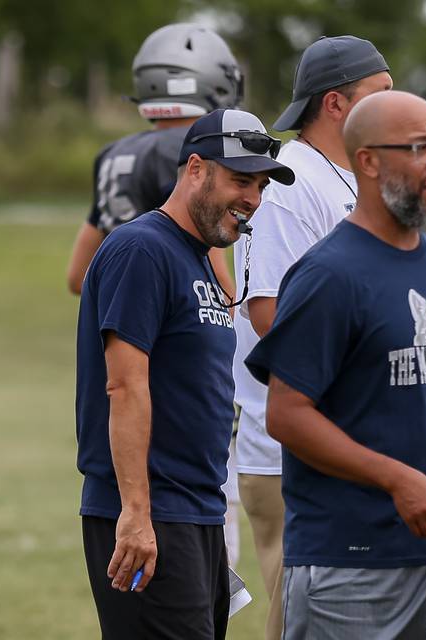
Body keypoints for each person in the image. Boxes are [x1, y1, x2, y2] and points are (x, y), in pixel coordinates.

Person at [245, 90, 426, 639]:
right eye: (418, 147)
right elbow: (285, 414)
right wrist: (396, 478)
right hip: (351, 560)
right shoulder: (328, 275)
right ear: (369, 161)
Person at [75, 108, 294, 640]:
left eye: (261, 186)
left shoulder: (195, 255)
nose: (253, 199)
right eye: (241, 180)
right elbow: (124, 386)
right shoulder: (141, 249)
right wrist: (136, 513)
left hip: (196, 509)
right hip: (150, 514)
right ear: (195, 169)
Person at [231, 34, 392, 640]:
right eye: (379, 95)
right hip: (290, 449)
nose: (393, 107)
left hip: (341, 435)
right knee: (306, 622)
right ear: (334, 104)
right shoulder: (293, 182)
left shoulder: (348, 178)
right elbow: (267, 309)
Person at [65, 22, 242, 296]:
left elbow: (78, 278)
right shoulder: (190, 150)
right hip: (178, 324)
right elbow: (215, 287)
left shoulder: (112, 153)